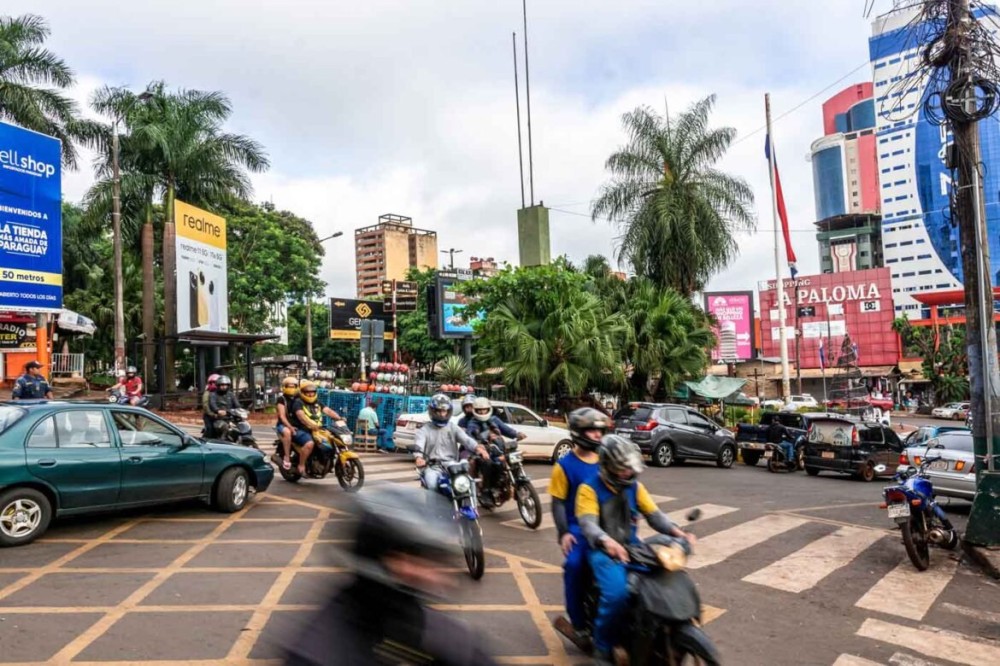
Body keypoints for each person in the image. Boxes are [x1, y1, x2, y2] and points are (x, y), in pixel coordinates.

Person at [282, 485, 498, 665]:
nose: (438, 574)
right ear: (386, 559)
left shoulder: (430, 626)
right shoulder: (319, 653)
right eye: (421, 558)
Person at [577, 436, 697, 664]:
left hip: (633, 547)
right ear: (608, 467)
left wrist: (678, 532)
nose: (628, 473)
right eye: (623, 469)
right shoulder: (588, 488)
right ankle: (602, 649)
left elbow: (654, 515)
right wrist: (606, 541)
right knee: (617, 594)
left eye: (630, 468)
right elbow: (588, 524)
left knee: (663, 578)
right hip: (604, 551)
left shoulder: (635, 487)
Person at [551, 408, 607, 652]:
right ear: (578, 433)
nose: (596, 435)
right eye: (591, 430)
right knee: (574, 566)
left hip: (608, 525)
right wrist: (564, 533)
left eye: (599, 430)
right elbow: (558, 502)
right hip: (578, 528)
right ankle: (580, 624)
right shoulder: (564, 465)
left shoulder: (607, 459)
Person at [413, 394, 488, 496]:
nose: (442, 414)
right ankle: (432, 509)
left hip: (453, 465)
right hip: (433, 467)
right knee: (432, 484)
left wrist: (477, 447)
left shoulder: (453, 427)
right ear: (432, 411)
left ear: (448, 412)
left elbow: (466, 440)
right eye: (438, 411)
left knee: (469, 483)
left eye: (444, 411)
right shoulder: (425, 430)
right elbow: (419, 444)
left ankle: (472, 505)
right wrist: (418, 457)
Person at [465, 397, 526, 506]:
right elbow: (470, 439)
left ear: (489, 409)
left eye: (485, 409)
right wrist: (480, 446)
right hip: (484, 453)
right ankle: (486, 491)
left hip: (499, 450)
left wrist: (517, 434)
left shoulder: (495, 420)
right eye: (480, 410)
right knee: (488, 463)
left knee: (514, 458)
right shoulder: (472, 423)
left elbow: (506, 429)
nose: (483, 412)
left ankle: (517, 482)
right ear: (475, 411)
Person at [290, 380, 346, 478]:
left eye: (312, 392)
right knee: (309, 444)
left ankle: (325, 461)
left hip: (317, 429)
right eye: (308, 392)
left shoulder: (317, 402)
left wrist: (339, 418)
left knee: (331, 438)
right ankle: (301, 465)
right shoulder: (298, 402)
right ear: (303, 392)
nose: (310, 394)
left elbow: (328, 411)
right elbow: (301, 416)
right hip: (301, 429)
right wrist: (310, 424)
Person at [273, 376, 299, 470]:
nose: (291, 388)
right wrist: (290, 427)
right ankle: (287, 457)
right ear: (284, 387)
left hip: (297, 425)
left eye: (293, 386)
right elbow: (282, 417)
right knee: (287, 433)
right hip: (283, 425)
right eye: (289, 386)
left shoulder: (298, 398)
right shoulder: (281, 399)